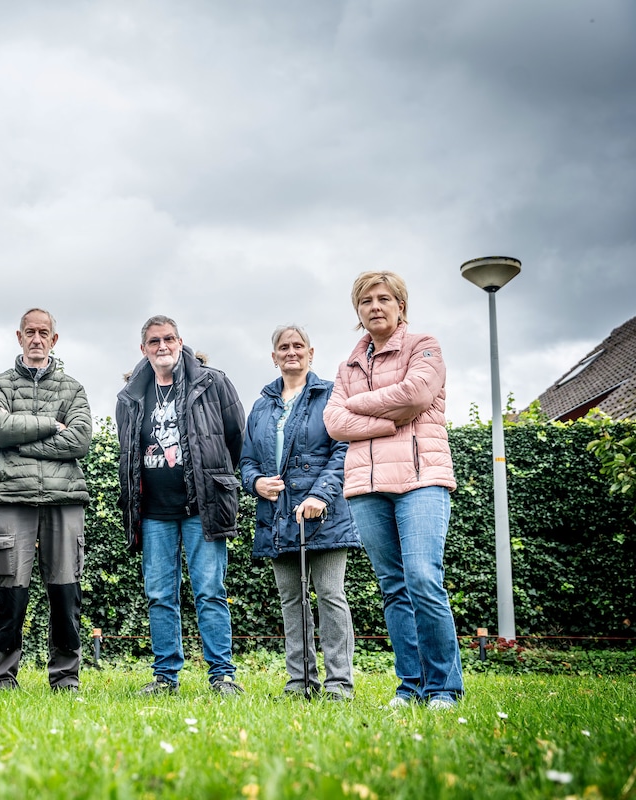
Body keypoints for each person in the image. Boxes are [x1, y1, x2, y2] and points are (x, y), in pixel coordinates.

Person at [323, 271, 462, 710]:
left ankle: (444, 688)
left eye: (384, 298)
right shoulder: (348, 365)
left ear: (401, 305)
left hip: (422, 479)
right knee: (394, 587)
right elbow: (333, 422)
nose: (375, 306)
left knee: (423, 578)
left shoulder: (425, 347)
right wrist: (389, 420)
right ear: (357, 311)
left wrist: (359, 407)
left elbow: (417, 394)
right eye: (366, 301)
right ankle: (411, 687)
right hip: (365, 486)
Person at [116, 315, 246, 695]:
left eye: (168, 339)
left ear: (180, 341)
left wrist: (214, 480)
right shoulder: (131, 395)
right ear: (143, 349)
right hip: (153, 513)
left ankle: (222, 676)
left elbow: (235, 437)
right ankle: (165, 677)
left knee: (210, 591)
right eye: (154, 341)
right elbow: (129, 452)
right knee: (159, 595)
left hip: (200, 509)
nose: (162, 346)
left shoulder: (212, 382)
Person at [239, 325, 360, 700]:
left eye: (297, 346)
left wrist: (321, 495)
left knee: (329, 593)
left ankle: (339, 684)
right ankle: (300, 682)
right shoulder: (261, 405)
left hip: (324, 514)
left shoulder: (332, 395)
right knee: (291, 599)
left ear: (311, 352)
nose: (290, 352)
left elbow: (344, 449)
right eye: (282, 347)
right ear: (273, 356)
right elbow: (246, 460)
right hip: (277, 516)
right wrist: (256, 482)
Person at [0, 308, 92, 692]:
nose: (36, 338)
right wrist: (49, 425)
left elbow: (79, 440)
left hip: (65, 500)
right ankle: (2, 677)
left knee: (66, 591)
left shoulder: (74, 389)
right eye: (30, 332)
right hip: (11, 498)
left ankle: (65, 678)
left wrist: (21, 443)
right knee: (10, 590)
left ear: (54, 339)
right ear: (19, 336)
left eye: (44, 332)